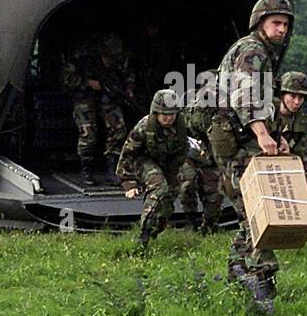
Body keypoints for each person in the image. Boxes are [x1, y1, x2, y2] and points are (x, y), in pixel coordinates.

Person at [208, 0, 294, 314]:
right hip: (235, 137)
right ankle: (261, 279)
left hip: (239, 136)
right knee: (259, 207)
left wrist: (277, 137)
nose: (282, 29)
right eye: (276, 23)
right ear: (260, 23)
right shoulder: (252, 50)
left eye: (285, 24)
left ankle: (237, 269)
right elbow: (245, 95)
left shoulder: (262, 53)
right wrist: (262, 133)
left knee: (252, 210)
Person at [116, 88, 192, 252]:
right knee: (159, 187)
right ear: (155, 113)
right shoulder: (144, 127)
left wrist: (173, 174)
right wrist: (128, 182)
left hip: (168, 164)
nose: (168, 118)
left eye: (171, 114)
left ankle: (154, 230)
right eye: (164, 113)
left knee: (168, 202)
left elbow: (182, 150)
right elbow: (128, 154)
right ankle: (143, 236)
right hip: (143, 160)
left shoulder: (181, 126)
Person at [61, 30, 134, 181]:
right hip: (84, 96)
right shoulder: (81, 57)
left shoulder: (118, 55)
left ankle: (113, 166)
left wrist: (128, 87)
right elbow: (65, 78)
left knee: (118, 127)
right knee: (88, 132)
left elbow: (128, 73)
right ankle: (86, 167)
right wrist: (86, 83)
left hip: (107, 95)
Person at [178, 101, 225, 233]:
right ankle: (192, 222)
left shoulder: (227, 112)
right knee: (187, 184)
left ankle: (209, 225)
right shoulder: (190, 111)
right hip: (189, 153)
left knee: (215, 195)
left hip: (213, 157)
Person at [275, 72, 307, 184]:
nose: (296, 102)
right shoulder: (267, 113)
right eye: (292, 96)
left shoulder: (300, 121)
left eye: (301, 97)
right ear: (282, 95)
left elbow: (304, 155)